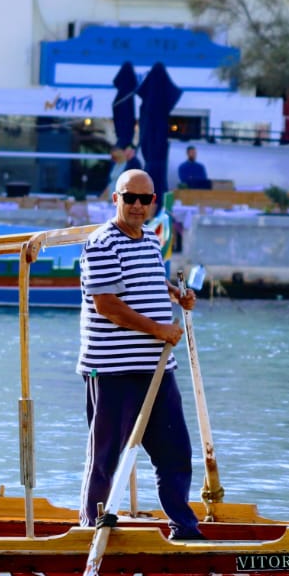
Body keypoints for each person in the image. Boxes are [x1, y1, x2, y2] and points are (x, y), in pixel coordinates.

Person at [77, 168, 203, 541]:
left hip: (157, 367)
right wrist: (158, 329)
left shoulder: (149, 238)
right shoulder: (102, 243)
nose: (136, 206)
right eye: (128, 197)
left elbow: (146, 278)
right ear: (115, 199)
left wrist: (174, 294)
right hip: (113, 369)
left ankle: (184, 527)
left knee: (175, 452)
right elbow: (107, 305)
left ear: (152, 203)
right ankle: (91, 528)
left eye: (143, 199)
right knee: (106, 458)